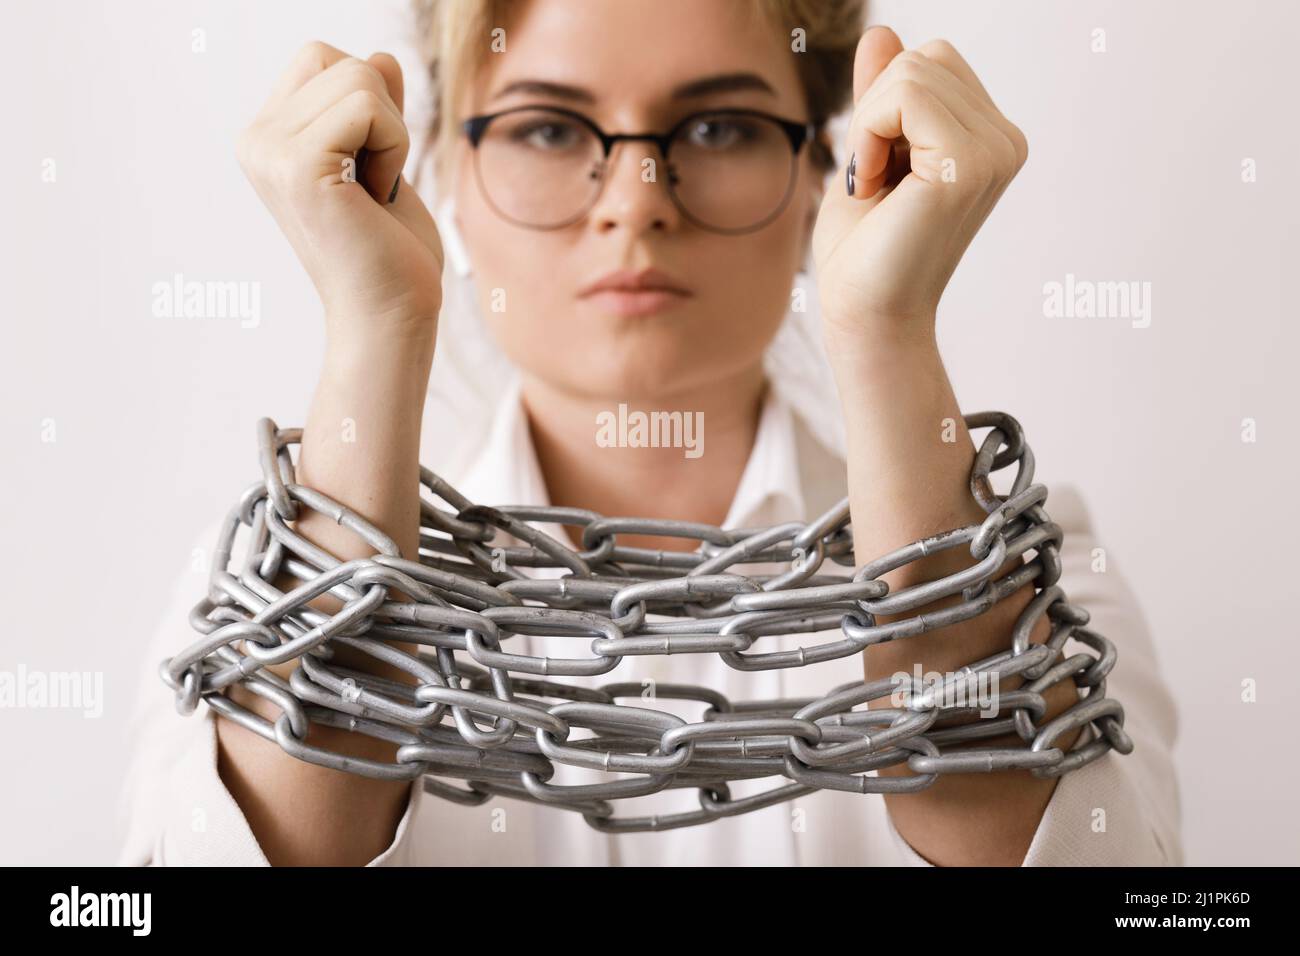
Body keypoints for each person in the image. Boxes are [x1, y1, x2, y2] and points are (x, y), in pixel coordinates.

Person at [118, 0, 1181, 866]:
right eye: (546, 127)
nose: (635, 201)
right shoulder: (258, 577)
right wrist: (376, 321)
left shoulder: (1036, 569)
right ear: (440, 167)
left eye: (719, 127)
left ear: (825, 172)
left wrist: (887, 325)